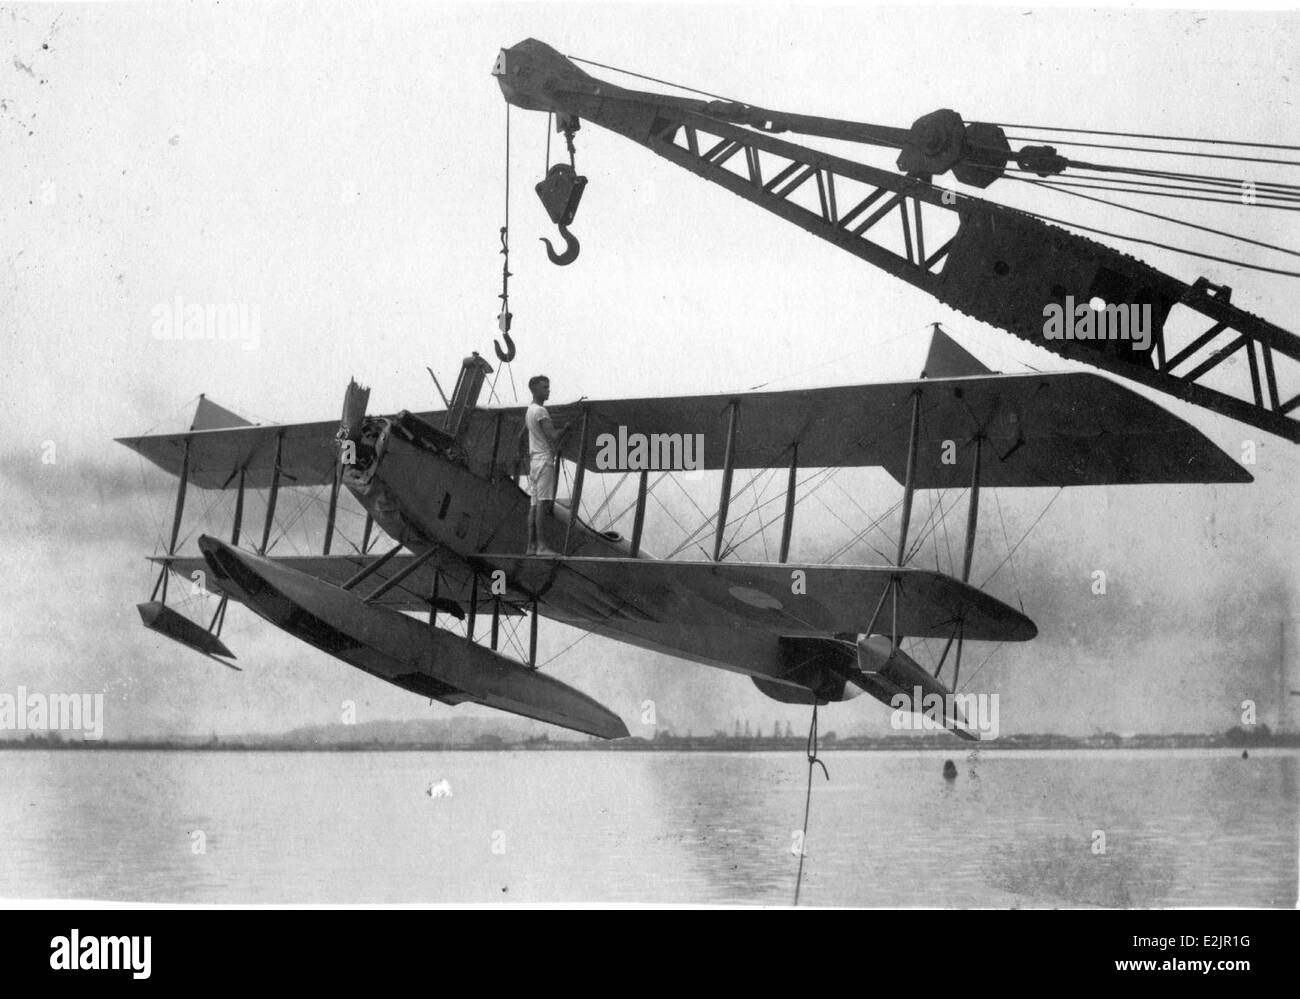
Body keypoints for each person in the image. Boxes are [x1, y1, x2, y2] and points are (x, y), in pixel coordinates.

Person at [521, 374, 570, 556]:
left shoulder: (529, 411)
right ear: (534, 389)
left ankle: (531, 547)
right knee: (543, 504)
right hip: (544, 461)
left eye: (548, 387)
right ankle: (541, 546)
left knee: (534, 505)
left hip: (534, 462)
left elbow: (521, 437)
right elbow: (554, 436)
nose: (548, 390)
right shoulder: (541, 411)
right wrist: (566, 427)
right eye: (544, 387)